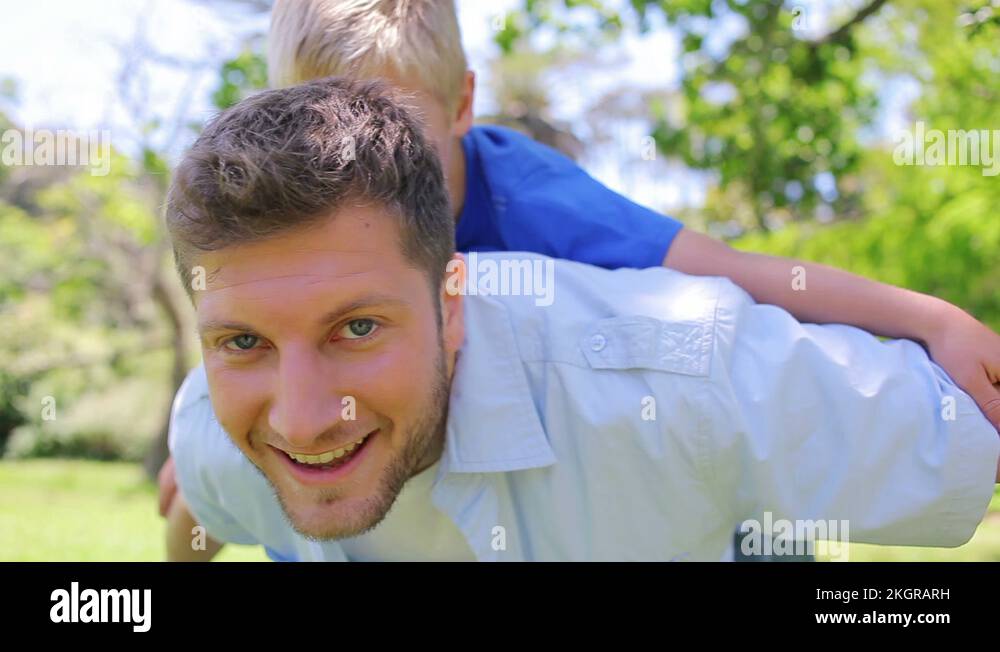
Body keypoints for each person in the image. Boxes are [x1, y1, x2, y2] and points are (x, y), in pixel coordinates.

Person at [163, 77, 999, 562]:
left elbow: (972, 432)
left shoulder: (682, 379)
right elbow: (196, 504)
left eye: (356, 329)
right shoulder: (216, 433)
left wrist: (937, 322)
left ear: (453, 302)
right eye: (244, 341)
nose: (304, 417)